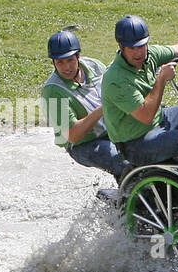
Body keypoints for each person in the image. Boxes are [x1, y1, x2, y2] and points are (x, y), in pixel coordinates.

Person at [101, 15, 178, 167]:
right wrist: (161, 79)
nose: (138, 53)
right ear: (121, 47)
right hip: (135, 143)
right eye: (132, 48)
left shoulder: (150, 55)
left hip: (158, 121)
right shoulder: (116, 79)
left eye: (141, 46)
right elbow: (146, 116)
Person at [41, 29, 128, 182]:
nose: (66, 67)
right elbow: (72, 136)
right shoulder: (52, 91)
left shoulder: (94, 66)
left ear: (78, 56)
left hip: (114, 130)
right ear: (53, 62)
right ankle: (129, 200)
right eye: (59, 62)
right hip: (84, 145)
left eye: (70, 60)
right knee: (123, 162)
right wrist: (103, 109)